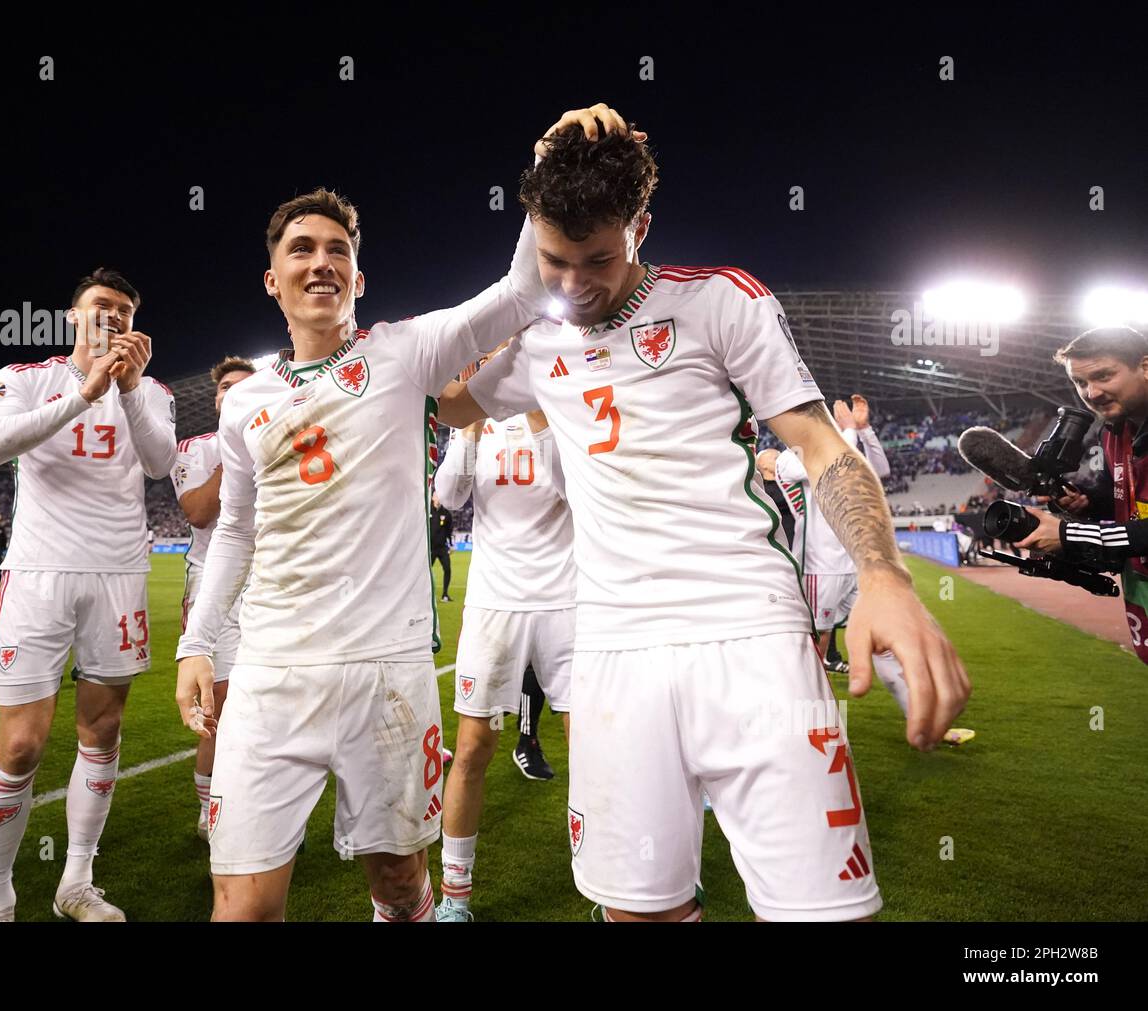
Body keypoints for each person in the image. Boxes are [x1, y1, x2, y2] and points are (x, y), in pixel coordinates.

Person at [440, 105, 970, 922]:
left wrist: (884, 574)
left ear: (641, 227)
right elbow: (444, 400)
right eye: (554, 260)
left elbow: (823, 447)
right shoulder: (536, 345)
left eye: (598, 260)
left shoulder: (723, 301)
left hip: (752, 642)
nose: (574, 287)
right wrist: (526, 256)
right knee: (637, 913)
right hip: (612, 653)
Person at [175, 177, 545, 923]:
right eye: (301, 249)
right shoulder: (246, 402)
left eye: (337, 250)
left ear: (358, 278)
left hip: (388, 670)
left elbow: (521, 290)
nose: (321, 262)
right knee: (242, 906)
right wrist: (196, 643)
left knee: (400, 882)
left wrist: (545, 176)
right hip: (272, 670)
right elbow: (237, 529)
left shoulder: (405, 353)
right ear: (272, 279)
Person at [0, 268, 177, 921]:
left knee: (103, 729)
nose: (112, 319)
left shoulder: (153, 390)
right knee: (22, 743)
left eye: (124, 310)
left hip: (118, 576)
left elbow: (159, 462)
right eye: (100, 308)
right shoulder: (24, 376)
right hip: (40, 574)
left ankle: (75, 883)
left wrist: (130, 390)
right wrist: (85, 394)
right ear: (72, 317)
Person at [432, 358, 574, 919]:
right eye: (488, 358)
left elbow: (573, 486)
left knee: (589, 743)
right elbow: (448, 493)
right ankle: (455, 896)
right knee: (472, 748)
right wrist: (469, 422)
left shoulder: (561, 406)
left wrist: (537, 410)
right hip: (495, 602)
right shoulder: (474, 421)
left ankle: (611, 880)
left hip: (567, 597)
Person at [760, 397, 974, 746]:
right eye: (762, 458)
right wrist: (847, 430)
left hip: (860, 565)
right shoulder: (789, 461)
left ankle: (922, 722)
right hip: (822, 567)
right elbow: (834, 456)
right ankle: (806, 726)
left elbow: (878, 469)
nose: (766, 458)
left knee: (887, 642)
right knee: (817, 642)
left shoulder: (836, 442)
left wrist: (865, 430)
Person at [1018, 326, 1148, 664]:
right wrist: (1087, 501)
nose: (1091, 393)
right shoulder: (1113, 431)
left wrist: (1066, 534)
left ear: (1145, 367)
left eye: (1104, 376)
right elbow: (1118, 497)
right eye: (1080, 382)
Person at [171, 355, 256, 840]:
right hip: (214, 581)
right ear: (217, 398)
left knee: (274, 701)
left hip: (274, 582)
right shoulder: (196, 449)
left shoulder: (285, 436)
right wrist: (237, 454)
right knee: (220, 705)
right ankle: (209, 811)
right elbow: (199, 513)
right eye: (226, 387)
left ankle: (261, 801)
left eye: (247, 386)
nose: (234, 393)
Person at [431, 493, 454, 601]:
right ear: (432, 498)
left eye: (440, 495)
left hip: (442, 548)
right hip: (429, 548)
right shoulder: (427, 511)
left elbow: (450, 531)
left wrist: (451, 545)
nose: (438, 497)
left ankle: (445, 594)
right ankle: (423, 594)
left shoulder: (446, 513)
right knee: (424, 571)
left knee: (448, 569)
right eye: (436, 495)